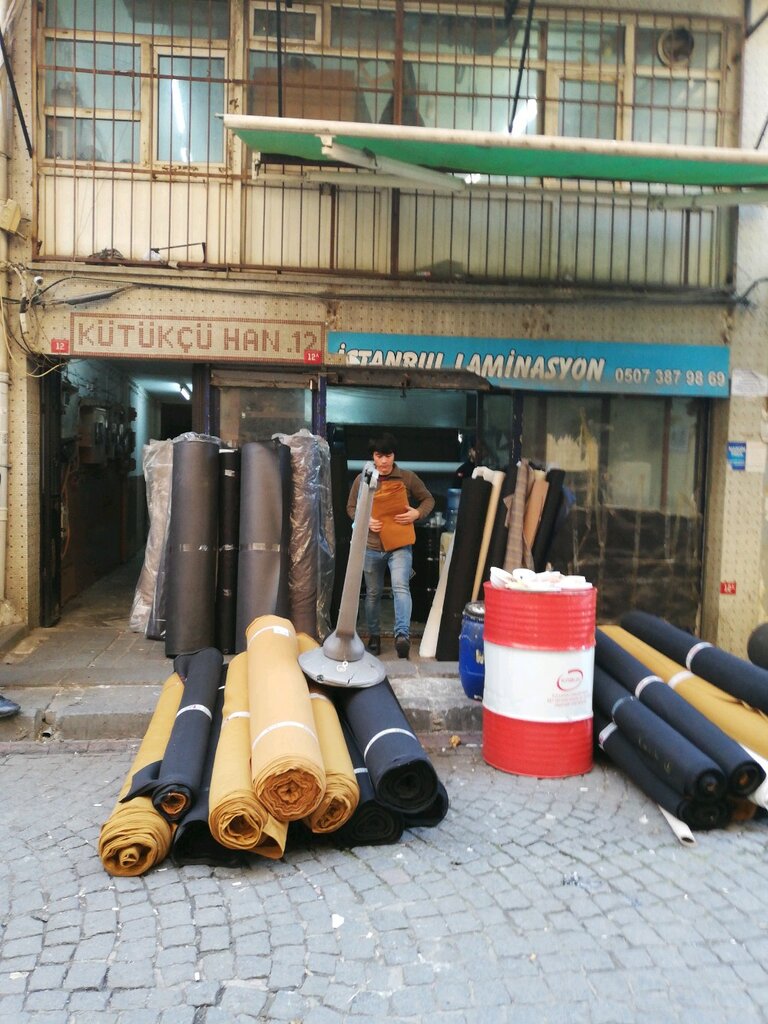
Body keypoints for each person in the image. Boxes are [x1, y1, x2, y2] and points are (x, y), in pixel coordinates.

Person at [347, 432, 434, 659]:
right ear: (373, 457)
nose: (384, 461)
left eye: (388, 455)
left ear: (394, 456)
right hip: (371, 547)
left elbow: (428, 499)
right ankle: (374, 636)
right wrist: (363, 519)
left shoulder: (406, 477)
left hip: (400, 545)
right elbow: (350, 508)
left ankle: (401, 636)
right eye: (379, 456)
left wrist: (417, 513)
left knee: (400, 587)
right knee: (373, 594)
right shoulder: (362, 479)